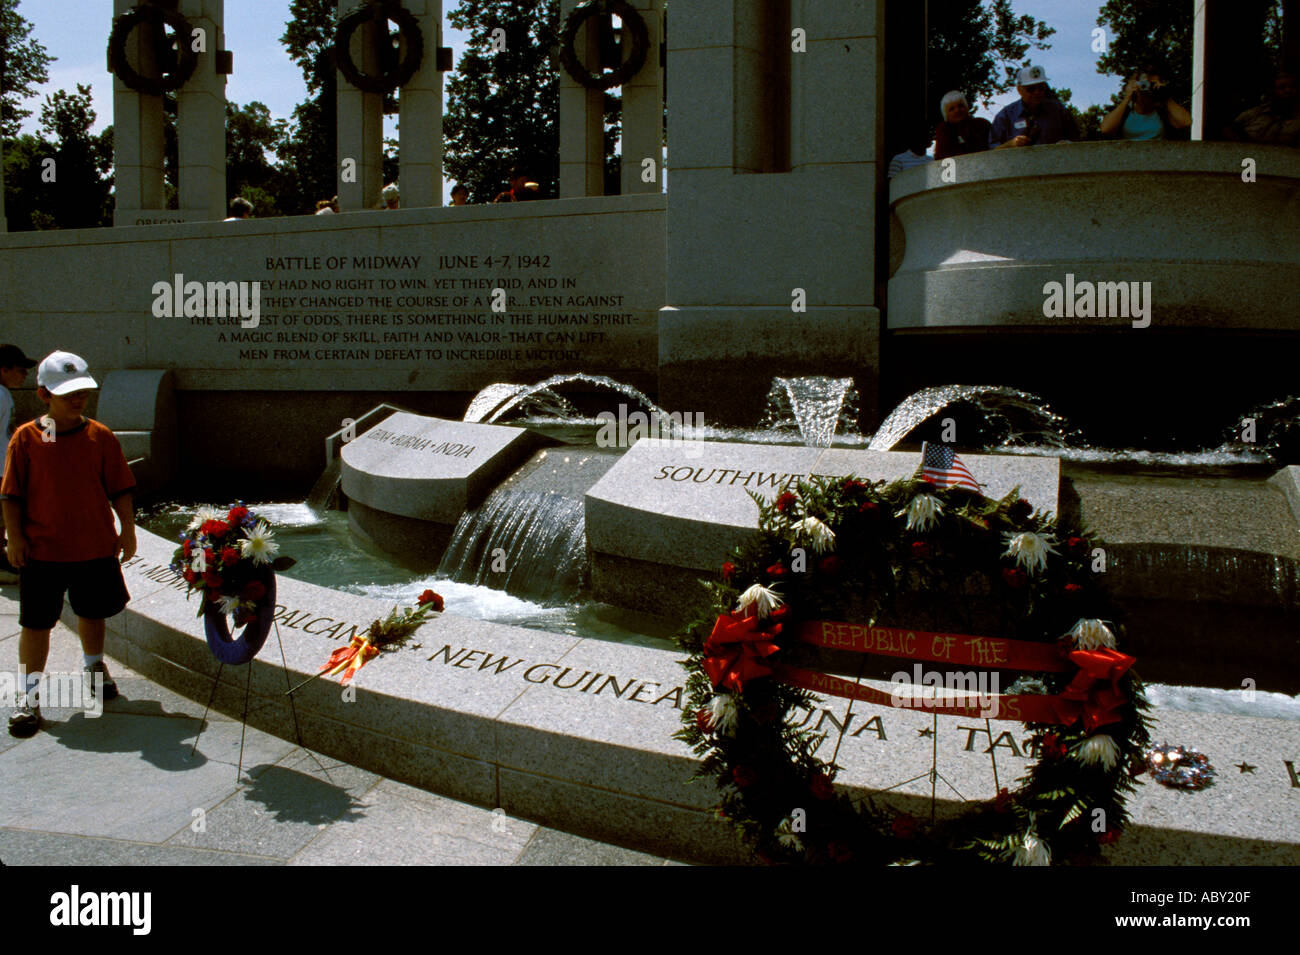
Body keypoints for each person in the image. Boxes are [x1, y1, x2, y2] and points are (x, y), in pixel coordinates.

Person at [3, 351, 137, 737]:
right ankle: (27, 697)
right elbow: (11, 494)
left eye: (82, 392)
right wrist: (15, 537)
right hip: (43, 552)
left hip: (94, 548)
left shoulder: (100, 436)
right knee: (36, 624)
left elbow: (120, 488)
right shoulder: (28, 438)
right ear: (44, 394)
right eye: (67, 394)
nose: (77, 400)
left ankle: (94, 665)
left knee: (92, 612)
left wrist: (126, 529)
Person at [0, 345, 37, 585]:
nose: (24, 375)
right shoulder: (0, 395)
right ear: (3, 370)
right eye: (20, 370)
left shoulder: (4, 393)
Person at [989, 64, 1079, 148]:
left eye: (1041, 88)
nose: (1037, 92)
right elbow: (992, 151)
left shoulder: (1059, 111)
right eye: (1031, 89)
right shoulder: (1005, 116)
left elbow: (1076, 141)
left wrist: (1066, 144)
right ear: (1019, 90)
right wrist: (1011, 144)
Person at [1099, 66, 1192, 140]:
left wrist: (1164, 95)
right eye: (1144, 85)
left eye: (1152, 85)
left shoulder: (1162, 112)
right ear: (1136, 85)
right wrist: (1127, 98)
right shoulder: (1126, 112)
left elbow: (1186, 122)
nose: (1147, 90)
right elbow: (1106, 129)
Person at [1228, 71, 1300, 147]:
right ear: (1272, 91)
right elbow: (1229, 130)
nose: (1288, 91)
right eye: (1282, 87)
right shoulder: (1253, 114)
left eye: (1292, 87)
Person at [933, 91, 991, 160]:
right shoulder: (944, 129)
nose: (957, 110)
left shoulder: (982, 124)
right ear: (946, 115)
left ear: (966, 107)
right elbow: (943, 157)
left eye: (960, 106)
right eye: (951, 109)